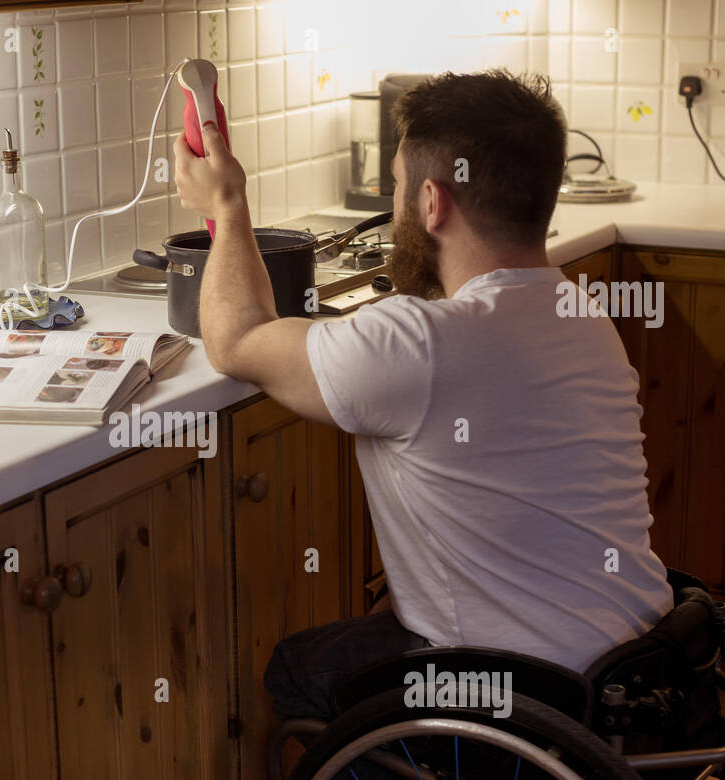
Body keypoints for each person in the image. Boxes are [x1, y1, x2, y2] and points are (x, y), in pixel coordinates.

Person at [171, 69, 674, 730]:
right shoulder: (583, 315)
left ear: (433, 203)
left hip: (525, 695)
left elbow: (235, 339)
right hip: (638, 668)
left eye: (399, 187)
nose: (397, 201)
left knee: (299, 668)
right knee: (388, 622)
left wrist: (228, 207)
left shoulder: (415, 345)